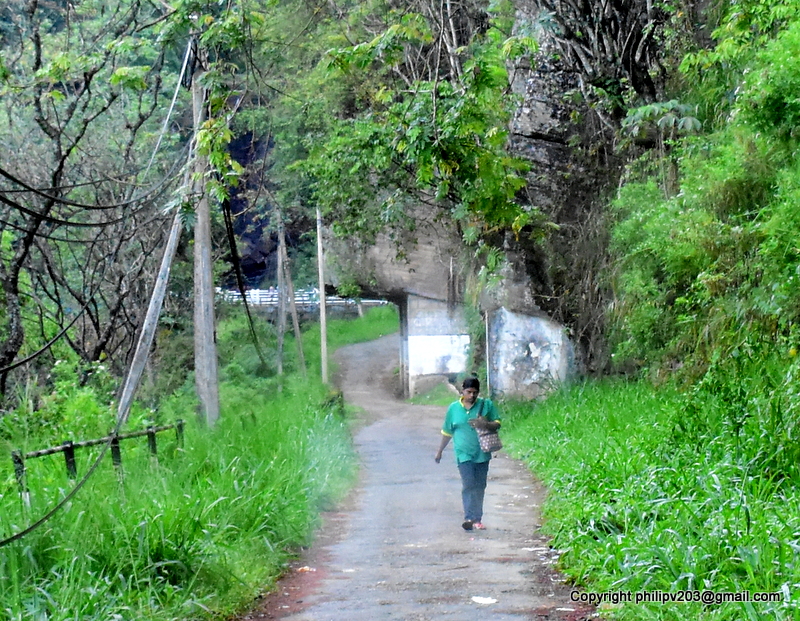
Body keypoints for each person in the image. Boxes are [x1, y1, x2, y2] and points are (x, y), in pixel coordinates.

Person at [434, 377, 501, 531]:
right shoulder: (453, 409)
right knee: (469, 483)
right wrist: (440, 451)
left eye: (475, 393)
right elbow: (447, 432)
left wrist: (486, 424)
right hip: (463, 454)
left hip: (482, 453)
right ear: (462, 390)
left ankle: (478, 518)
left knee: (480, 485)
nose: (472, 396)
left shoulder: (486, 405)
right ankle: (469, 517)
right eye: (469, 392)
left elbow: (497, 423)